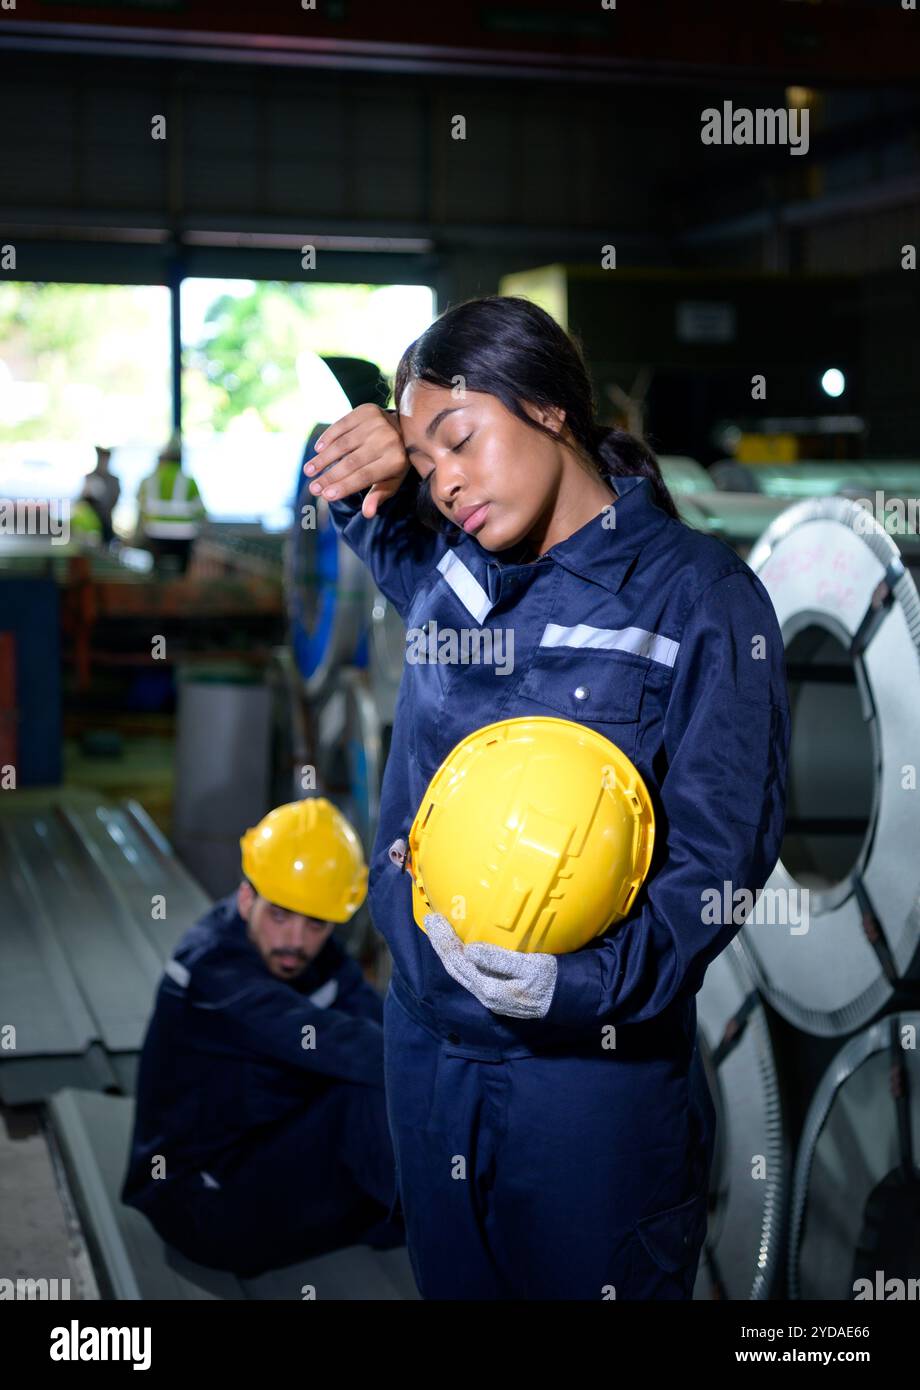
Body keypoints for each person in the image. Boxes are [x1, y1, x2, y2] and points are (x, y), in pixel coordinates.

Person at [311, 294, 791, 1301]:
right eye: (425, 463)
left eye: (460, 440)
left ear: (547, 407)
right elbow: (337, 491)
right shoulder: (446, 571)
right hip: (425, 1047)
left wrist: (576, 987)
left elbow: (718, 856)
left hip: (586, 1083)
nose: (445, 481)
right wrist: (375, 438)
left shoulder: (698, 597)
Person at [121, 798, 403, 1279]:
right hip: (196, 1195)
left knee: (379, 1081)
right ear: (246, 899)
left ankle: (409, 1211)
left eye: (315, 923)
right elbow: (353, 1046)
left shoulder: (315, 956)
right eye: (280, 916)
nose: (295, 940)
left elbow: (373, 1020)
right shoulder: (211, 971)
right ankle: (429, 1219)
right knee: (366, 1087)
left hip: (263, 1146)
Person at [136, 432, 206, 575]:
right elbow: (201, 511)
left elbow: (141, 508)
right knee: (181, 572)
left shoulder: (148, 481)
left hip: (155, 534)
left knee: (157, 573)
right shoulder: (189, 481)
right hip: (184, 536)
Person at [79, 445, 121, 544]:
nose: (103, 462)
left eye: (106, 459)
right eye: (102, 458)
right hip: (91, 523)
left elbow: (115, 499)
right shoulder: (90, 477)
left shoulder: (114, 480)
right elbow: (83, 501)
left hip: (106, 522)